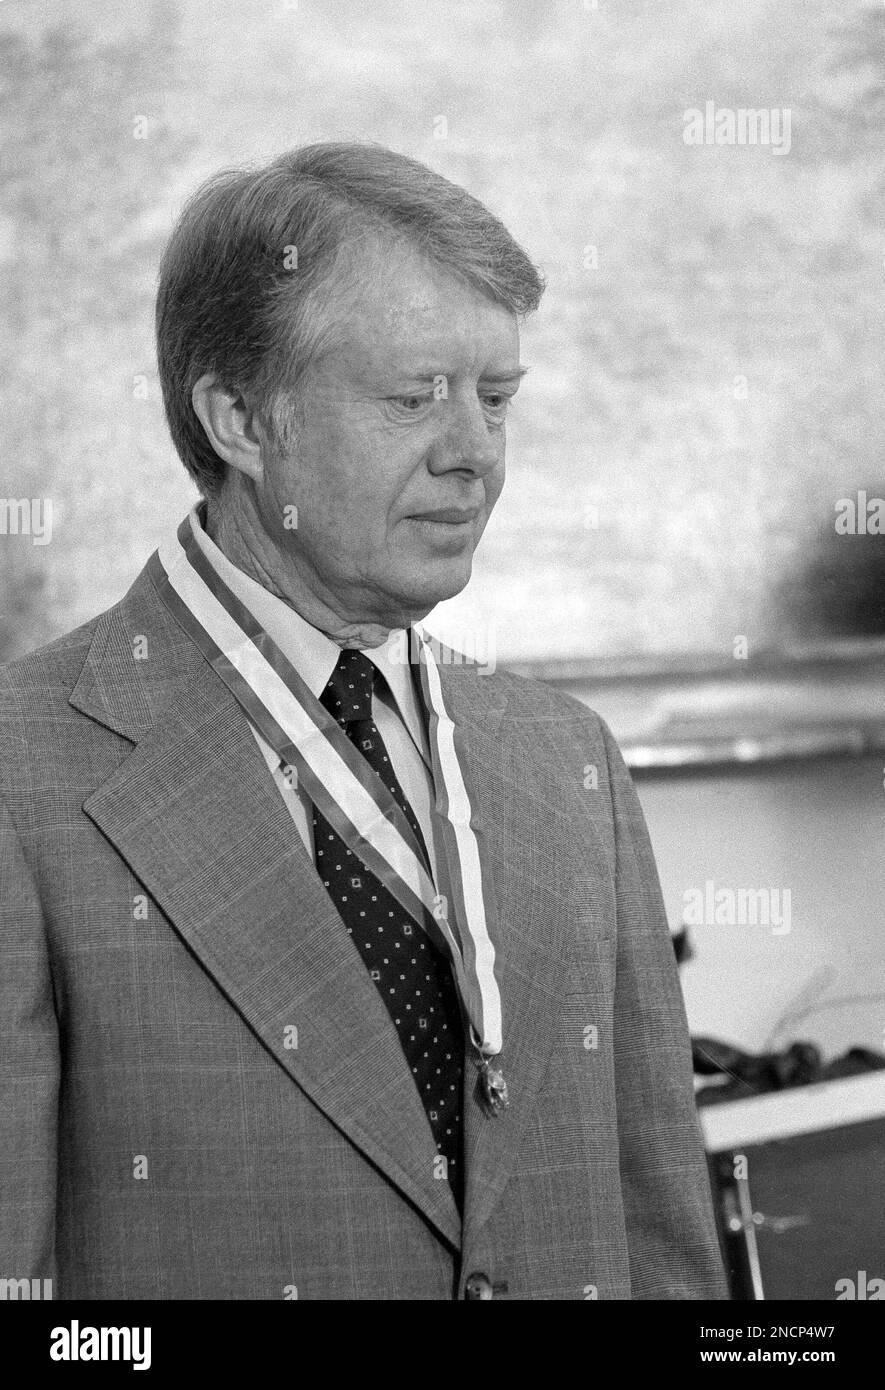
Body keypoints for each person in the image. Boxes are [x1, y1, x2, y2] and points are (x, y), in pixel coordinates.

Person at [0, 142, 726, 1300]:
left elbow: (661, 1243)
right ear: (240, 417)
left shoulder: (566, 756)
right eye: (414, 398)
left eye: (497, 401)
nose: (475, 454)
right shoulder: (23, 770)